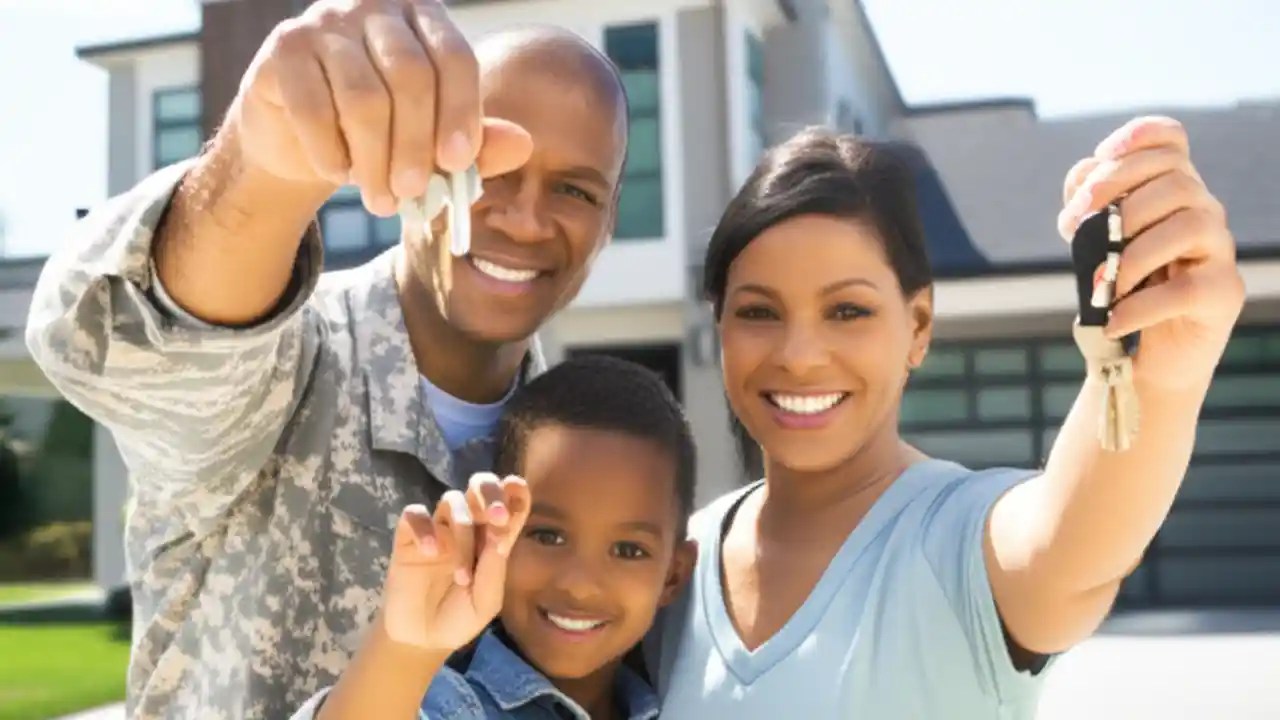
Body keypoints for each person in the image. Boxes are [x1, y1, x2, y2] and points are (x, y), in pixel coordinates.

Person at [23, 0, 631, 716]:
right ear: (423, 163)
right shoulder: (287, 360)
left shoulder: (579, 458)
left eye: (573, 190)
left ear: (608, 220)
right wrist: (259, 173)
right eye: (486, 167)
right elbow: (121, 345)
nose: (524, 219)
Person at [647, 118, 1244, 717]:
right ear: (718, 326)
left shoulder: (958, 546)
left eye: (848, 310)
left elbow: (1069, 543)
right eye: (758, 312)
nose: (799, 357)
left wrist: (1165, 375)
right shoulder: (671, 563)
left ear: (919, 327)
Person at [288, 355, 696, 720]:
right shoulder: (448, 705)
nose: (579, 584)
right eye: (549, 536)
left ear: (674, 575)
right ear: (492, 536)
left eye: (628, 550)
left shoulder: (682, 701)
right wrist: (408, 648)